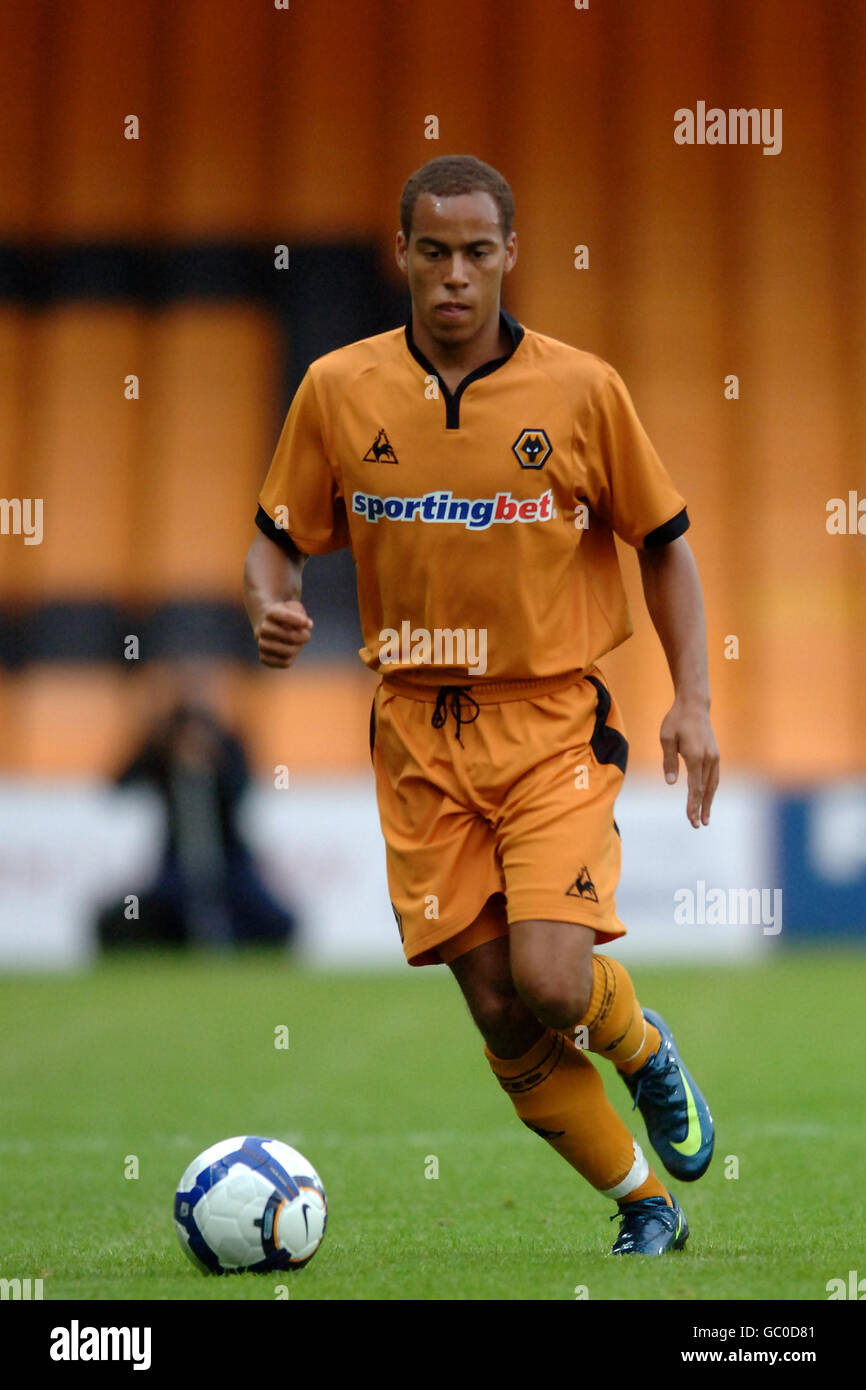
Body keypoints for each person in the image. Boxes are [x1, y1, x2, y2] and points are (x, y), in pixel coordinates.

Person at [243, 154, 720, 1255]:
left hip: (548, 717)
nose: (453, 274)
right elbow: (273, 542)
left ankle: (640, 1046)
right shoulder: (336, 389)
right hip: (414, 731)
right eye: (431, 250)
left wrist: (690, 699)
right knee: (499, 1007)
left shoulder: (581, 391)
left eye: (475, 251)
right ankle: (643, 1204)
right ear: (400, 254)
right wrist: (271, 607)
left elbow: (665, 544)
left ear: (509, 255)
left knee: (552, 979)